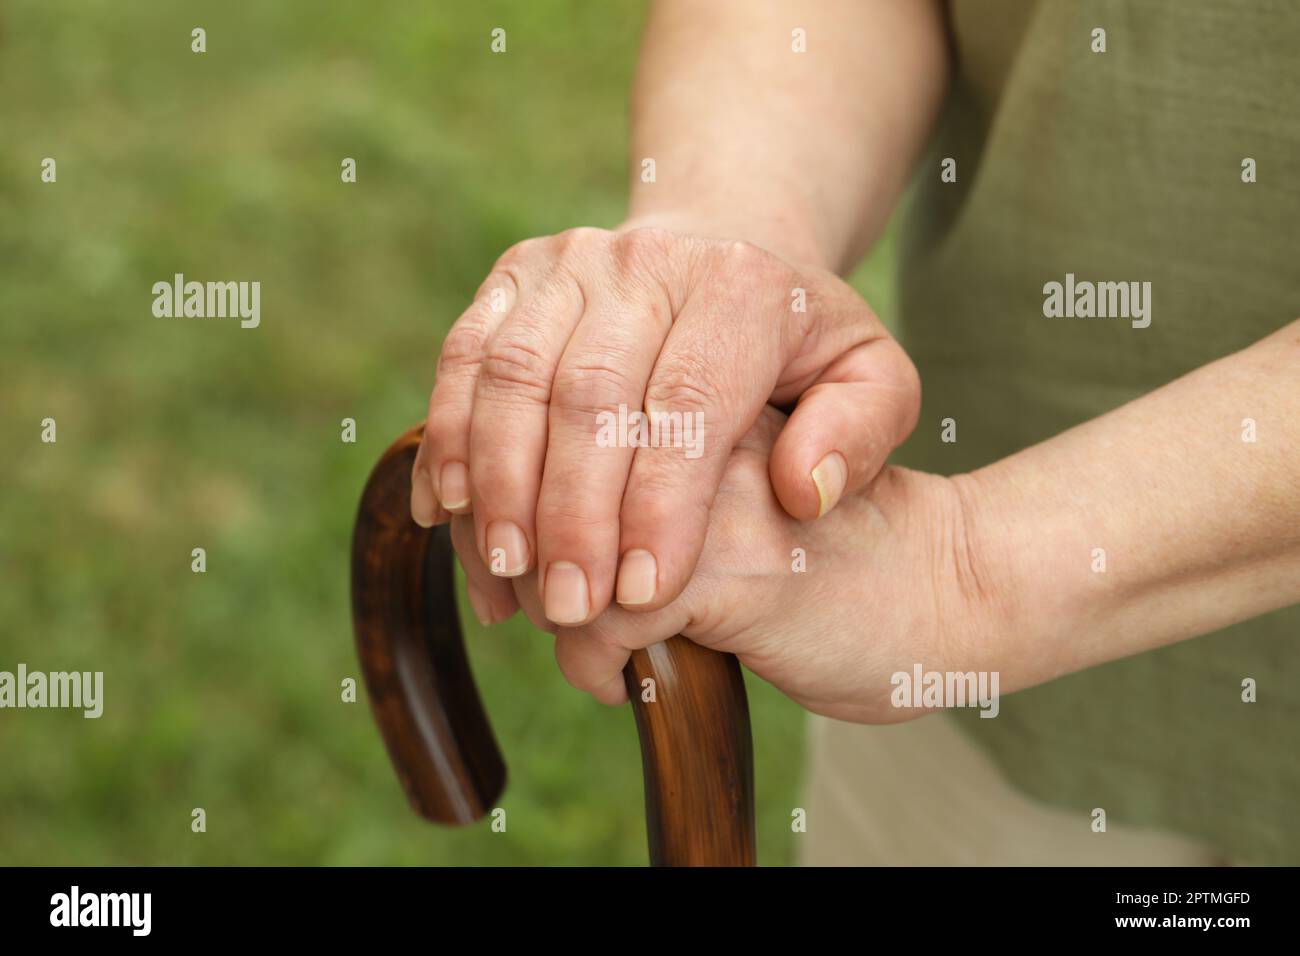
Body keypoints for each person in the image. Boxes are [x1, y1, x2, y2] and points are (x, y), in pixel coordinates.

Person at [409, 0, 1300, 865]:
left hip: (941, 594)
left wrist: (967, 572)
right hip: (963, 692)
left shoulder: (935, 580)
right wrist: (728, 256)